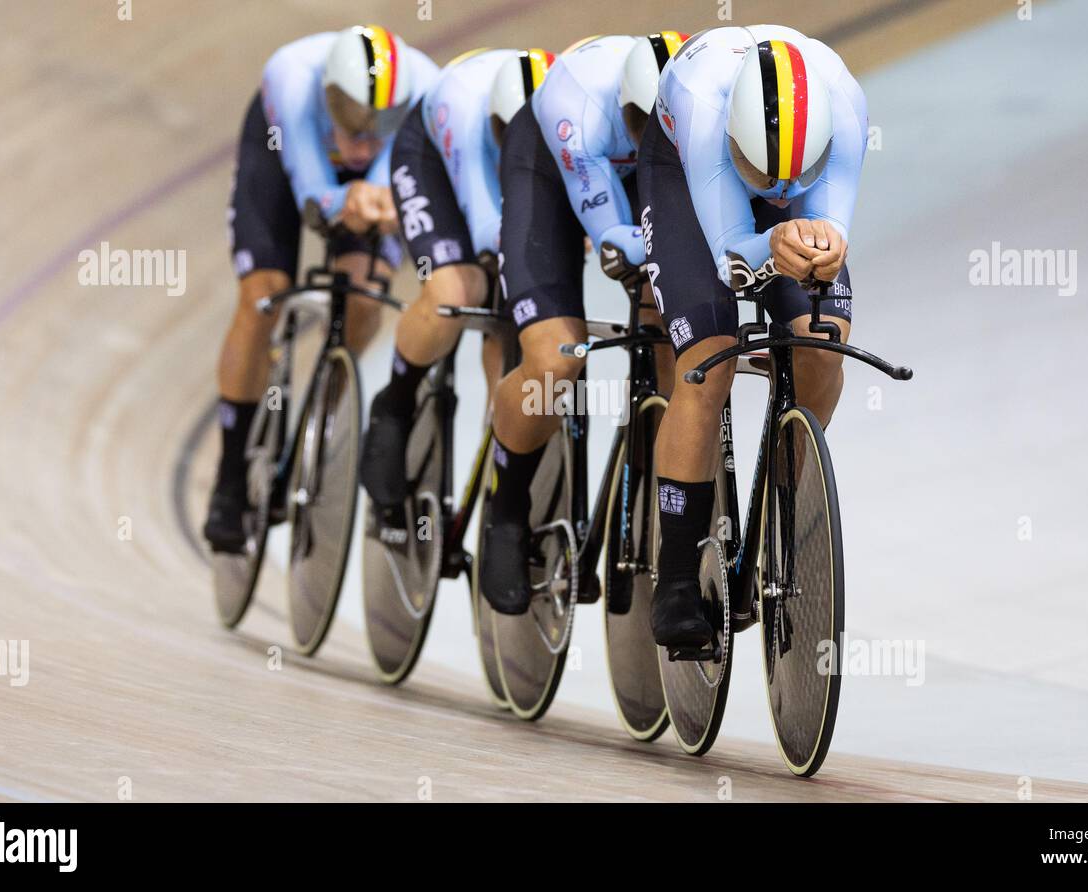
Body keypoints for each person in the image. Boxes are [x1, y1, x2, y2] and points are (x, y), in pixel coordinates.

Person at [638, 25, 868, 649]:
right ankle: (679, 577)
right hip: (690, 187)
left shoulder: (845, 109)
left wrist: (817, 249)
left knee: (823, 341)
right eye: (760, 175)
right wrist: (772, 244)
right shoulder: (704, 110)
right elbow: (732, 256)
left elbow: (830, 227)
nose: (777, 194)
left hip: (791, 165)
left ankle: (780, 502)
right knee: (707, 363)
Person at [204, 26, 439, 552]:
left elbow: (385, 184)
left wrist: (375, 195)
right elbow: (313, 193)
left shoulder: (426, 89)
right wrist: (348, 199)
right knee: (263, 294)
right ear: (328, 99)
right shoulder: (291, 78)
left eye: (380, 127)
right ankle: (230, 475)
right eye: (354, 128)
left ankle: (326, 413)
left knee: (363, 296)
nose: (362, 143)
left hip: (377, 175)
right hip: (285, 151)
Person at [482, 33, 687, 615]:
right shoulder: (581, 112)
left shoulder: (697, 117)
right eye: (645, 125)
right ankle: (507, 507)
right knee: (557, 358)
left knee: (681, 340)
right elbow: (611, 234)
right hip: (549, 168)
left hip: (643, 175)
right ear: (627, 108)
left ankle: (660, 490)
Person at [359, 48, 556, 531]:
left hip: (523, 168)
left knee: (526, 312)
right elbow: (493, 228)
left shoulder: (563, 119)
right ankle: (396, 402)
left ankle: (504, 445)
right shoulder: (467, 116)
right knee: (458, 290)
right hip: (432, 161)